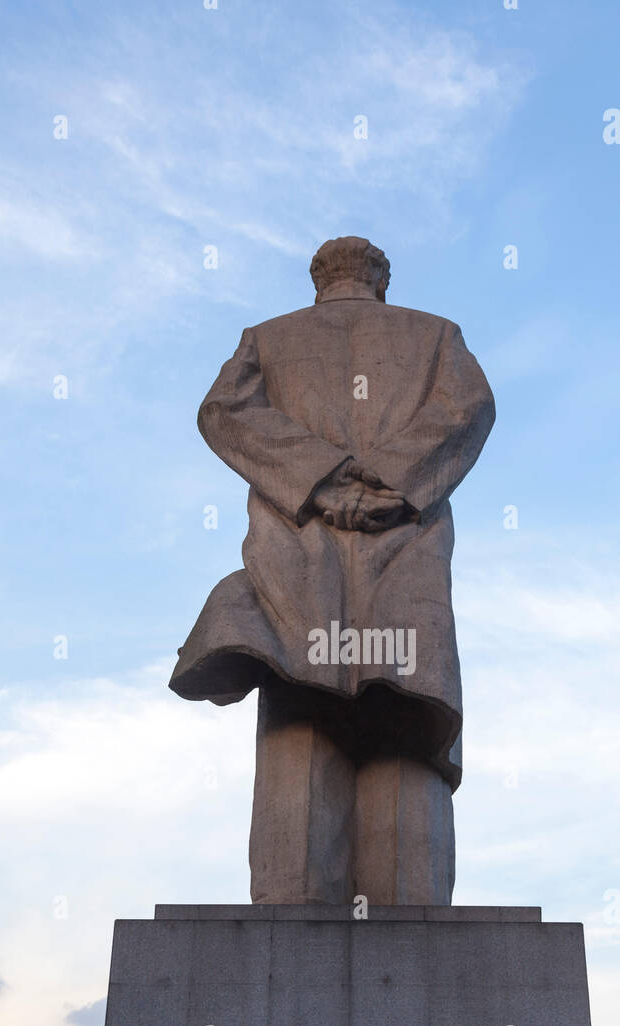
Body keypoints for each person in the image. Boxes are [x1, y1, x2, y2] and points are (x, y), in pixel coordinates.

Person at [170, 236, 495, 904]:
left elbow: (222, 411)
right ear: (381, 279)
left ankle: (291, 912)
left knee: (301, 733)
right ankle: (410, 915)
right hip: (405, 558)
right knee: (406, 734)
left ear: (320, 280)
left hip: (299, 563)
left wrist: (317, 479)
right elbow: (469, 409)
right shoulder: (435, 335)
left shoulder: (266, 339)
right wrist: (392, 480)